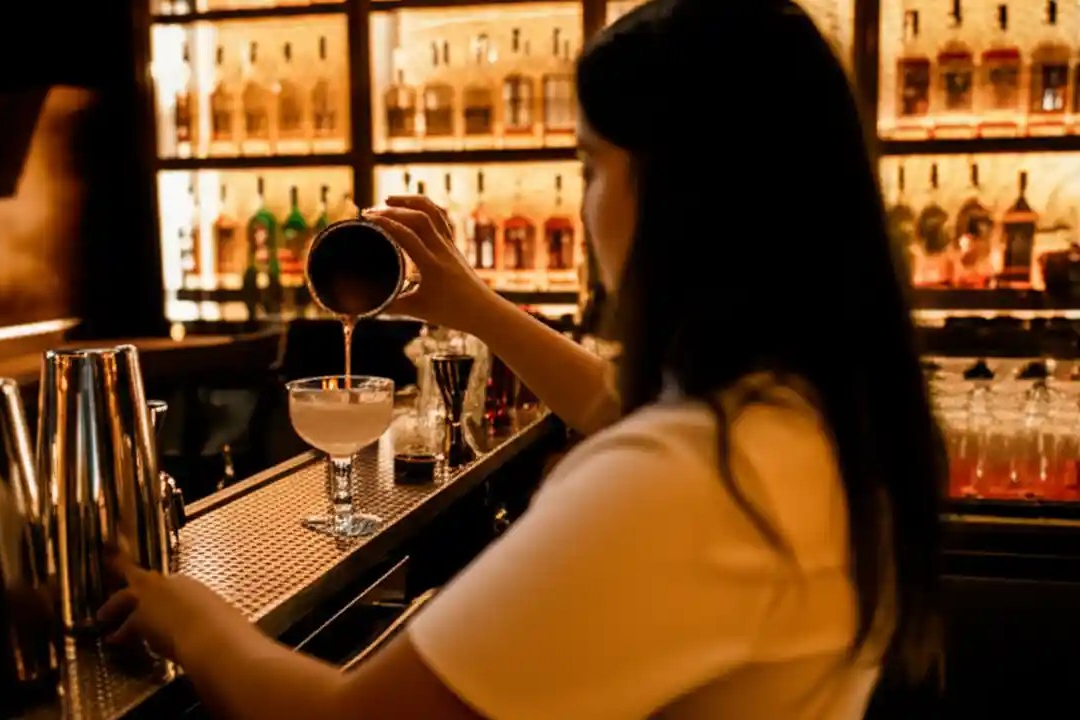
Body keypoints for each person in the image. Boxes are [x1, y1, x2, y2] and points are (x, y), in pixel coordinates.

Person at [99, 1, 944, 717]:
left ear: (682, 193)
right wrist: (469, 304)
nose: (584, 207)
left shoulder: (689, 479)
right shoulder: (814, 414)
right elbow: (616, 405)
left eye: (591, 166)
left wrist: (189, 616)